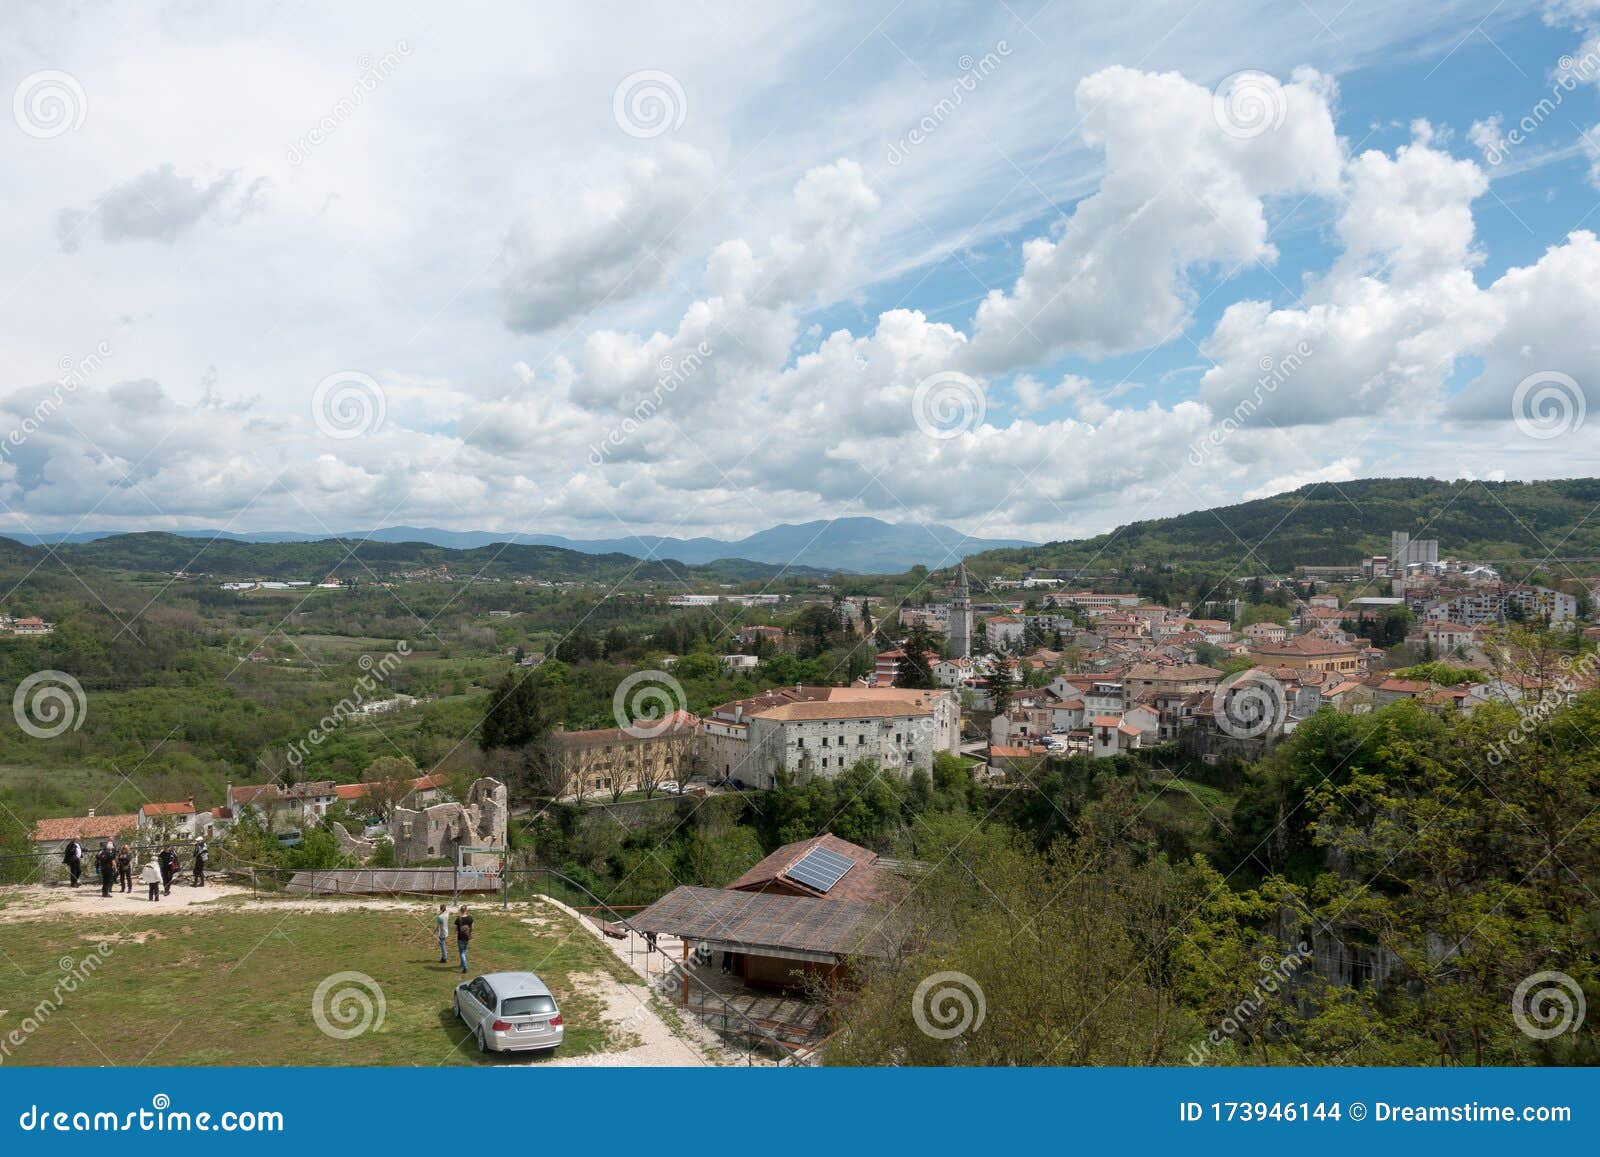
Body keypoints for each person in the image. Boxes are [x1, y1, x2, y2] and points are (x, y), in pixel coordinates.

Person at [454, 906, 473, 973]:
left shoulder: (458, 918)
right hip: (467, 937)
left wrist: (457, 930)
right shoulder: (470, 917)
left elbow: (456, 929)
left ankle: (465, 967)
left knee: (462, 952)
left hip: (460, 937)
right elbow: (472, 927)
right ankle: (462, 964)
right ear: (466, 910)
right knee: (464, 950)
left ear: (460, 910)